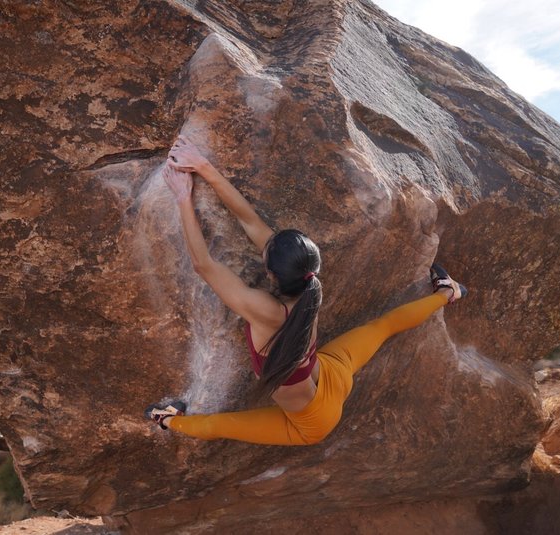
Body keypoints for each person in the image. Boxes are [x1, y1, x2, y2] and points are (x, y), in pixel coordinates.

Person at [145, 135, 467, 446]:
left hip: (311, 424)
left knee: (217, 425)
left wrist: (183, 197)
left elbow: (204, 265)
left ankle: (168, 419)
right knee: (382, 327)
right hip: (332, 373)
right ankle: (447, 292)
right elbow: (251, 223)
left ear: (271, 274)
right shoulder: (309, 281)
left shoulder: (268, 312)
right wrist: (202, 166)